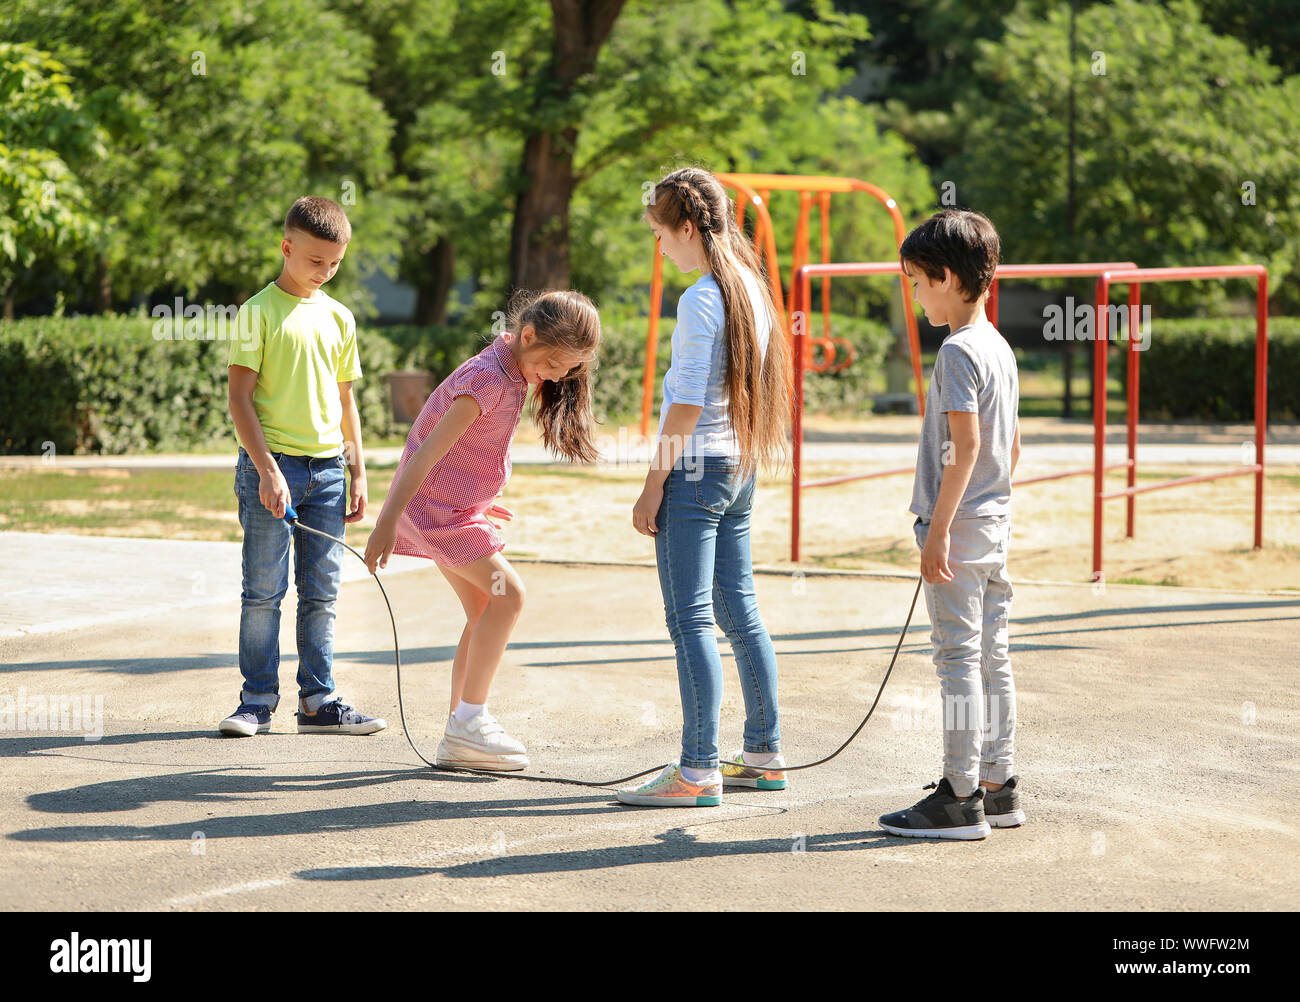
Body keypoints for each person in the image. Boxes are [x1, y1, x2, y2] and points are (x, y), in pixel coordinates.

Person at [364, 291, 601, 771]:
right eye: (554, 362)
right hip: (437, 514)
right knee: (508, 596)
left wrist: (482, 499)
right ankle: (469, 721)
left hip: (454, 509)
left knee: (482, 612)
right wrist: (386, 520)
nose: (557, 375)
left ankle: (460, 732)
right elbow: (426, 451)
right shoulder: (489, 379)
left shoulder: (509, 370)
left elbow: (464, 452)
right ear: (528, 336)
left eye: (568, 369)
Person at [618, 167, 792, 807]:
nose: (661, 249)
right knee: (739, 611)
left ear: (688, 227)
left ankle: (696, 771)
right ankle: (764, 755)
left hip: (695, 470)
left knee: (690, 617)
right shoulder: (749, 285)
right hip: (738, 466)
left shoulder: (700, 299)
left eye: (662, 235)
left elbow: (686, 402)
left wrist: (650, 484)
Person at [879, 208, 1025, 840]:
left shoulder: (957, 353)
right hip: (994, 523)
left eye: (916, 281)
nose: (913, 293)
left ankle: (958, 796)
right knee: (993, 655)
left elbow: (963, 450)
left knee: (956, 660)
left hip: (959, 528)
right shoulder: (997, 346)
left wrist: (937, 530)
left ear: (944, 276)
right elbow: (1009, 449)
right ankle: (998, 785)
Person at [221, 195, 386, 737]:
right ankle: (256, 701)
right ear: (287, 248)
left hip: (329, 472)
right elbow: (240, 400)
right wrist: (265, 468)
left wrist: (358, 469)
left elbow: (346, 402)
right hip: (272, 469)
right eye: (315, 261)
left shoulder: (340, 317)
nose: (325, 271)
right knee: (264, 591)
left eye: (335, 264)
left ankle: (319, 700)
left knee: (323, 593)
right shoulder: (257, 312)